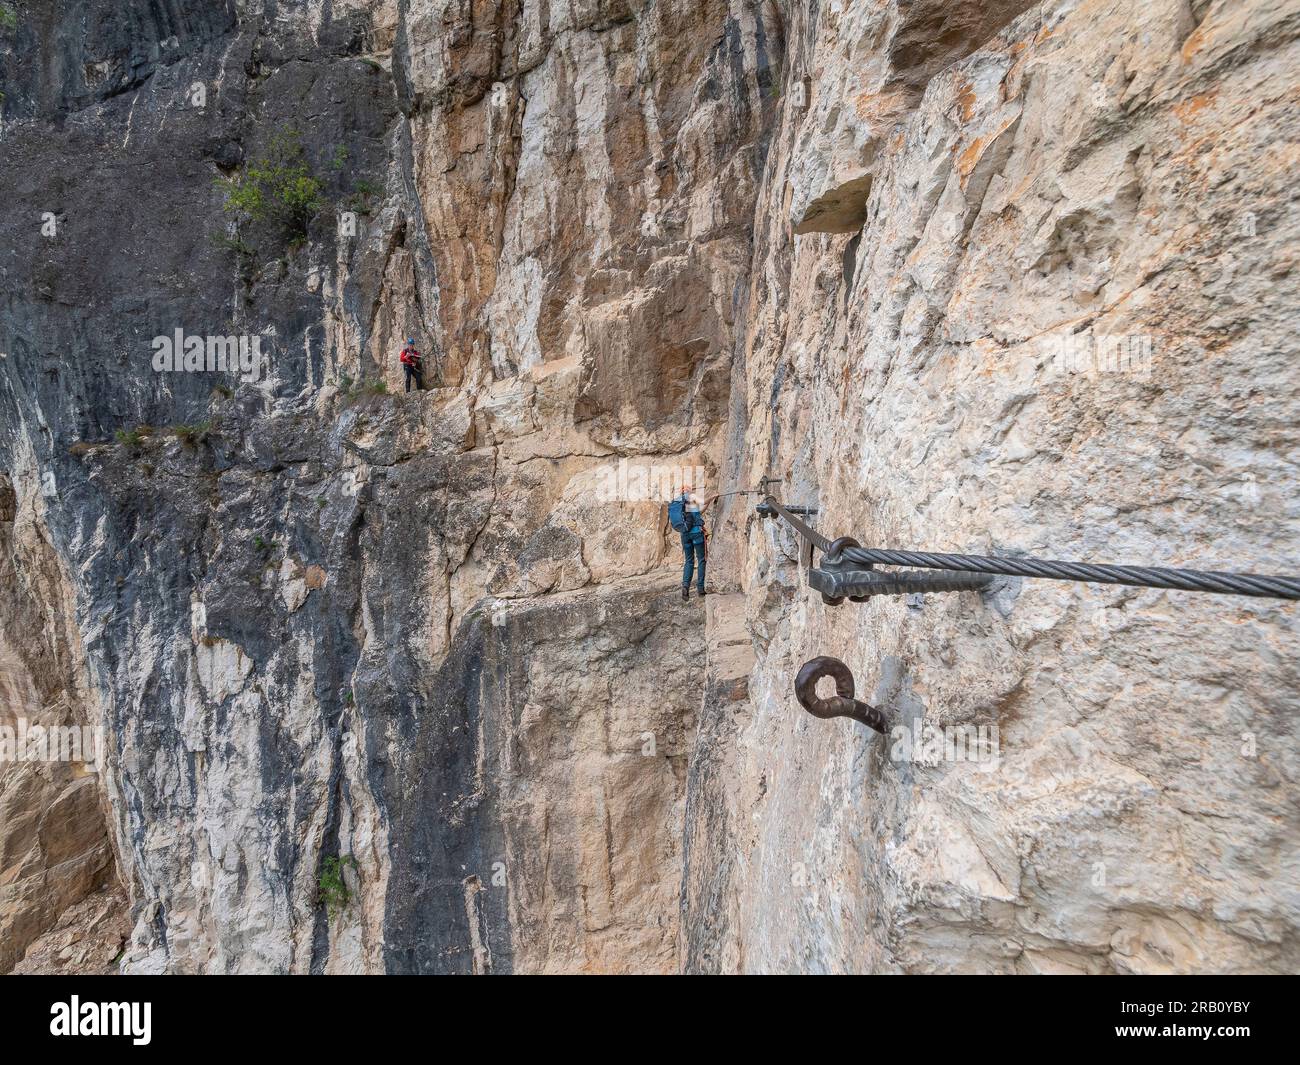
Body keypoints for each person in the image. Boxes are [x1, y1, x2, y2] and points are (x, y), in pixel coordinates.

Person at [669, 484, 714, 601]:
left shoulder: (678, 503)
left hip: (684, 534)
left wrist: (708, 503)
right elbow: (703, 501)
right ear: (688, 490)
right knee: (701, 559)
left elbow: (698, 512)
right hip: (696, 533)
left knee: (689, 560)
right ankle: (700, 588)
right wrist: (713, 496)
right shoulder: (691, 496)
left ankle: (685, 587)